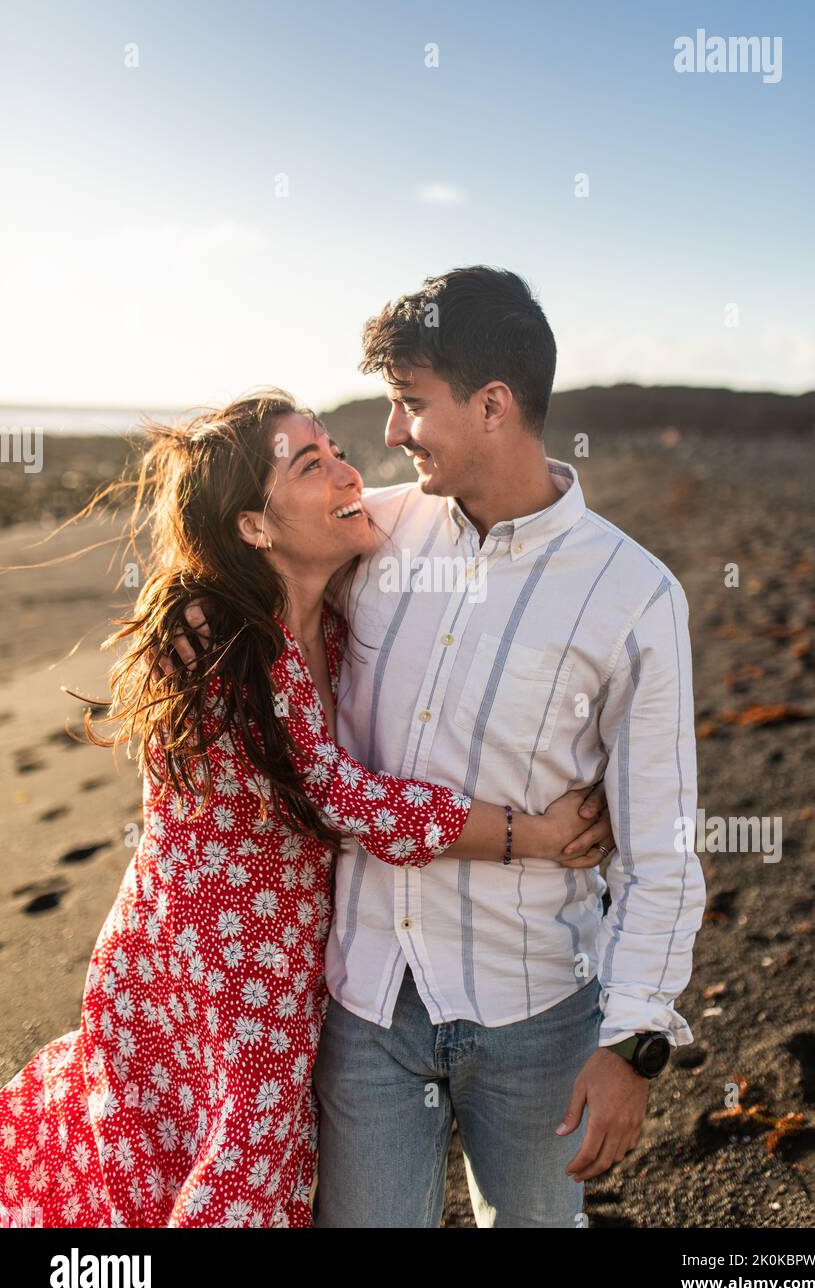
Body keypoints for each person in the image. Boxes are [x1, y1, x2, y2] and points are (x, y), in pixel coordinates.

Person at [0, 390, 610, 1230]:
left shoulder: (329, 619)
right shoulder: (216, 633)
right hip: (204, 976)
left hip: (285, 971)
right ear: (253, 525)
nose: (348, 473)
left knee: (225, 1182)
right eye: (311, 464)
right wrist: (531, 833)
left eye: (338, 450)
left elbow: (437, 519)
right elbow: (340, 797)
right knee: (212, 1182)